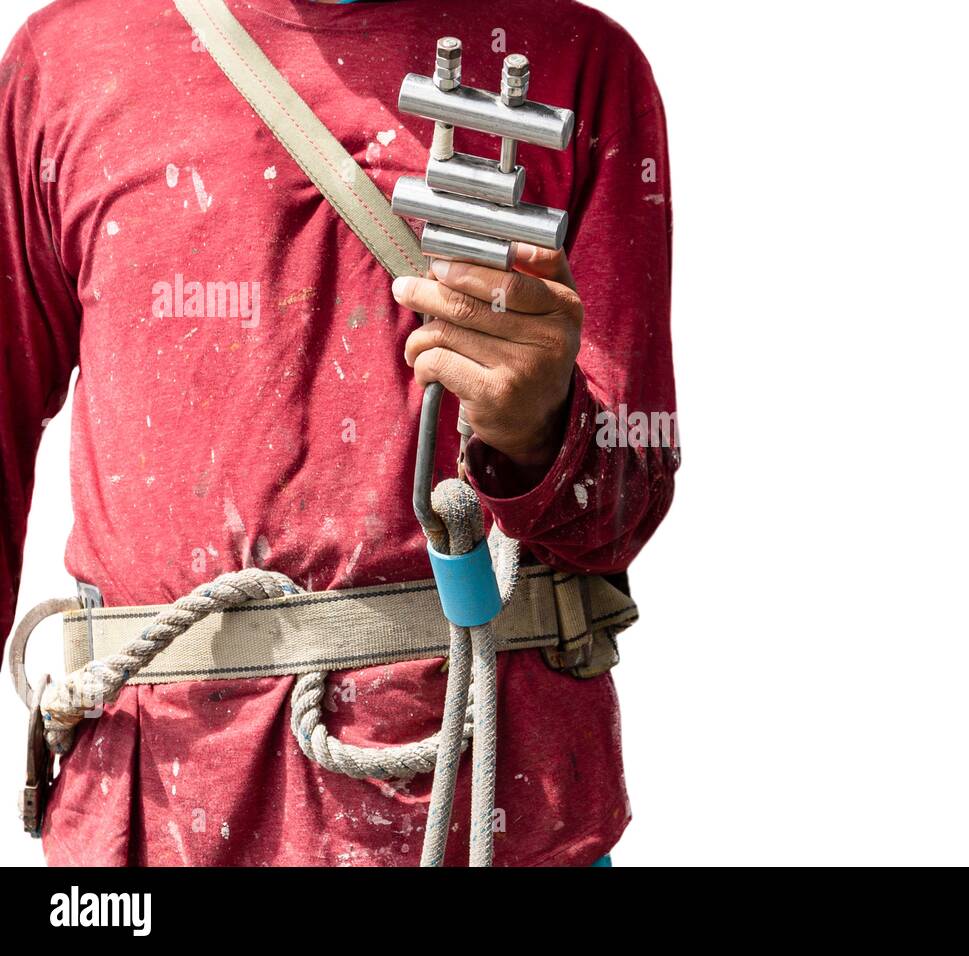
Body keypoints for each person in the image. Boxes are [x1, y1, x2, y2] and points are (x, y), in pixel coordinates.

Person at [0, 0, 675, 866]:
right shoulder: (66, 63)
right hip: (150, 815)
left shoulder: (580, 65)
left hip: (490, 810)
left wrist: (539, 430)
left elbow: (630, 497)